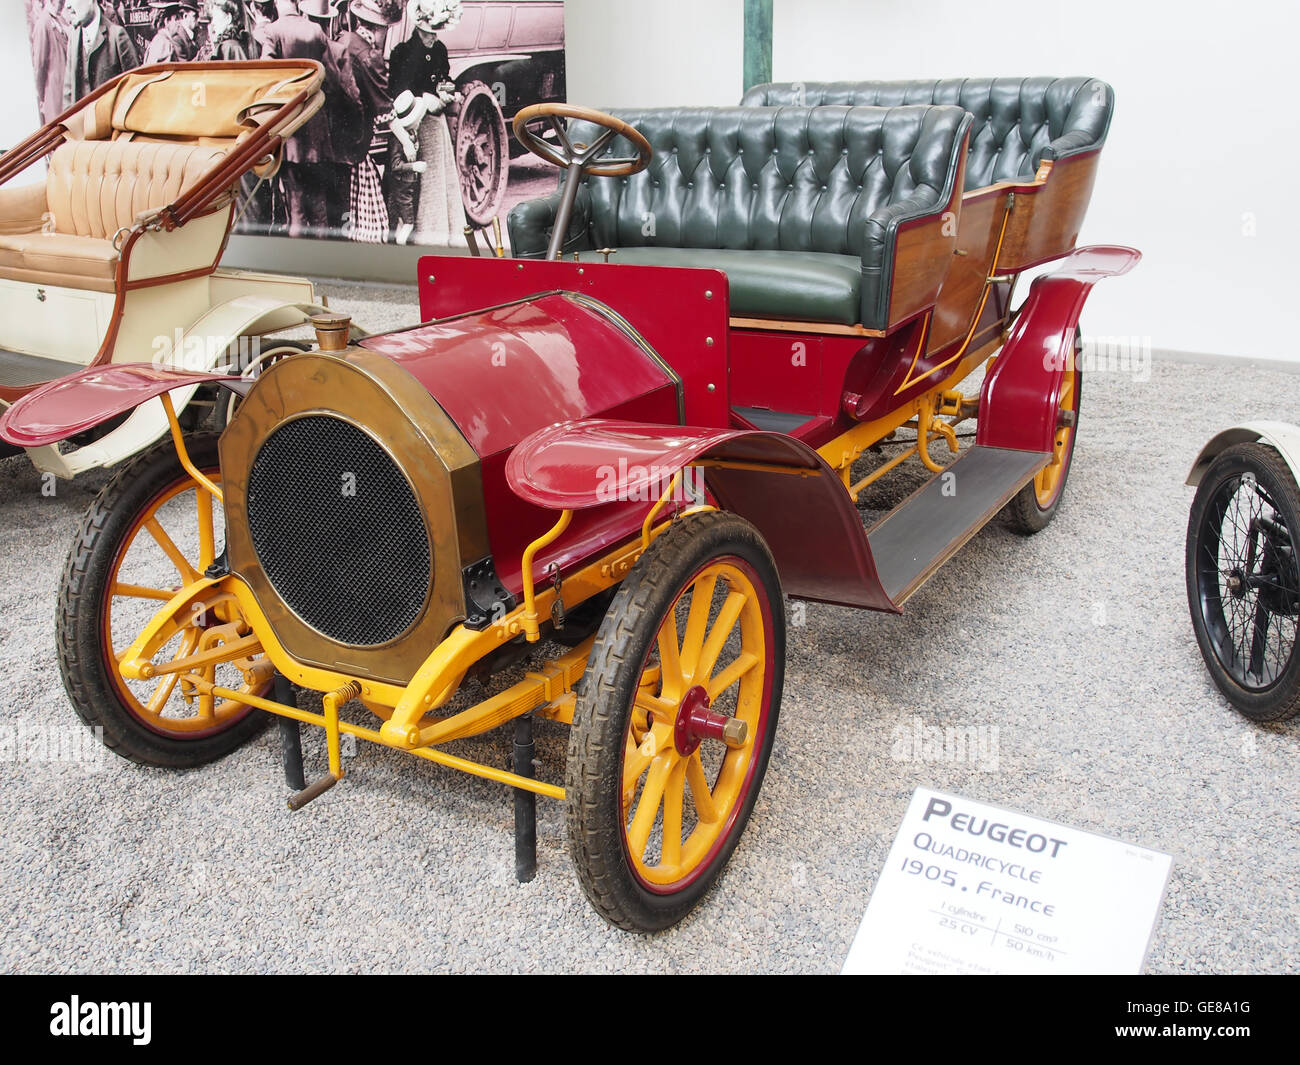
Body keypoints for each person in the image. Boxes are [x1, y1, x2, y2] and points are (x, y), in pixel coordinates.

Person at [257, 0, 345, 238]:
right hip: (317, 131)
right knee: (319, 208)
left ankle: (298, 266)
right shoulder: (315, 31)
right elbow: (334, 79)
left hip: (290, 133)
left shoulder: (272, 31)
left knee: (295, 208)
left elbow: (267, 77)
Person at [387, 0, 465, 246]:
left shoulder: (440, 49)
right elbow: (397, 90)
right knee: (422, 179)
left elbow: (445, 77)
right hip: (416, 123)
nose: (433, 38)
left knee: (441, 177)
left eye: (436, 33)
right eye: (429, 33)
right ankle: (427, 231)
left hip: (437, 122)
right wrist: (423, 98)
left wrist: (447, 92)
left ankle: (445, 228)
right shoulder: (401, 53)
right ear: (419, 29)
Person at [334, 0, 402, 242]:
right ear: (378, 28)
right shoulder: (368, 54)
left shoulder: (342, 40)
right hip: (355, 144)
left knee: (339, 208)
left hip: (334, 139)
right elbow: (384, 107)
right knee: (365, 213)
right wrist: (407, 138)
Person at [62, 0, 140, 109]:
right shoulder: (73, 39)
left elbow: (136, 90)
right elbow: (68, 93)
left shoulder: (117, 36)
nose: (67, 5)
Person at [32, 0, 69, 124]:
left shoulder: (59, 20)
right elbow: (39, 65)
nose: (63, 3)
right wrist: (42, 96)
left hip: (64, 92)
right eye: (61, 1)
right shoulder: (43, 24)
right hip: (54, 93)